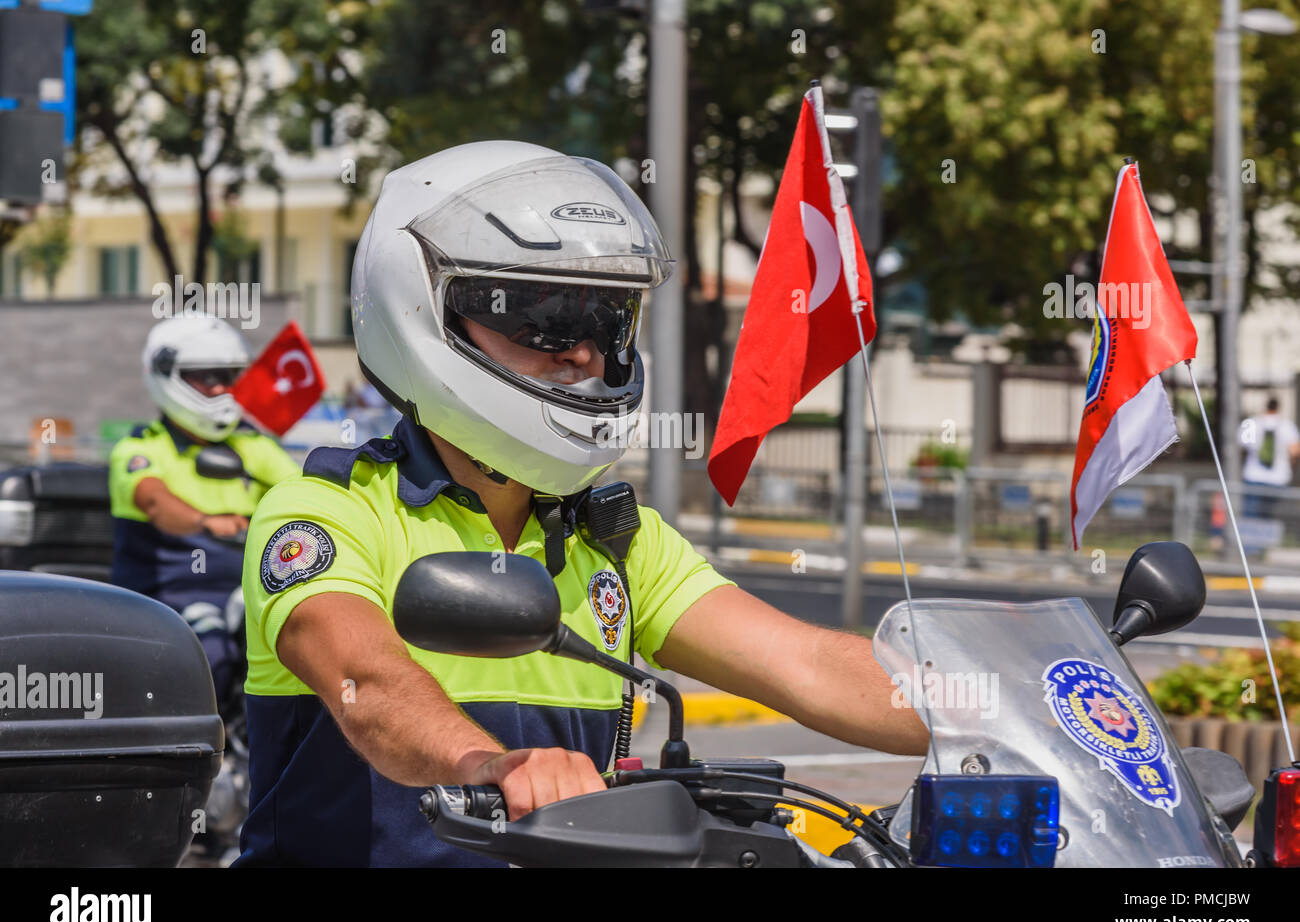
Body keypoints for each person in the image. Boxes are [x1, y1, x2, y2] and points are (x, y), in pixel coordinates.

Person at [236, 141, 928, 867]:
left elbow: (808, 664)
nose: (585, 354)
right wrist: (487, 763)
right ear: (425, 307)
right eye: (546, 319)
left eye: (607, 319)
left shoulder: (617, 539)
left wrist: (1000, 707)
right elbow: (364, 682)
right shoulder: (328, 511)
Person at [109, 314, 300, 708]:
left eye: (229, 376)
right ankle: (203, 758)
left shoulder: (253, 446)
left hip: (251, 589)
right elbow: (154, 501)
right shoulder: (143, 448)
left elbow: (304, 492)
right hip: (169, 597)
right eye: (205, 376)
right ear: (165, 375)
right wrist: (204, 522)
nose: (219, 388)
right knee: (211, 658)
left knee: (305, 647)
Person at [1240, 396, 1300, 521]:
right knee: (1268, 517)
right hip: (1278, 478)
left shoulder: (1252, 423)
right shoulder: (1287, 426)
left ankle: (1249, 540)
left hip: (1253, 475)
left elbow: (1241, 446)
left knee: (1250, 516)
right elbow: (1295, 451)